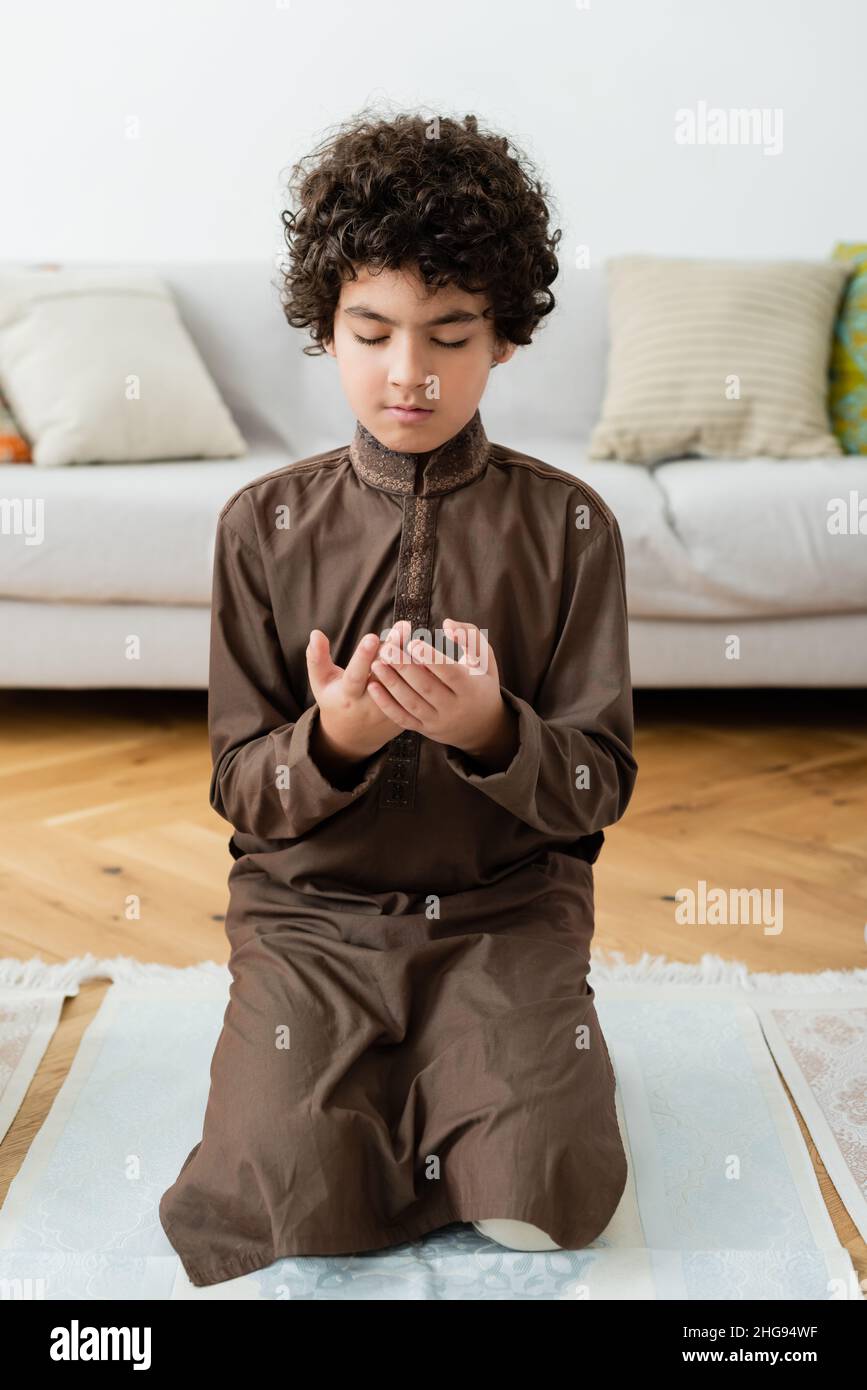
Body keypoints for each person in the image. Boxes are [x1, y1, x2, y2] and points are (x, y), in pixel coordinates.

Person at [158, 109, 638, 1288]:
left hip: (500, 915)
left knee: (547, 1198)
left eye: (451, 334)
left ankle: (507, 1063)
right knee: (287, 1189)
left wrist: (488, 729)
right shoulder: (259, 529)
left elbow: (599, 785)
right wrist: (335, 738)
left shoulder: (573, 529)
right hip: (312, 923)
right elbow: (239, 788)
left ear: (508, 339)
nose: (409, 372)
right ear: (327, 329)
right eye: (371, 332)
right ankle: (379, 1084)